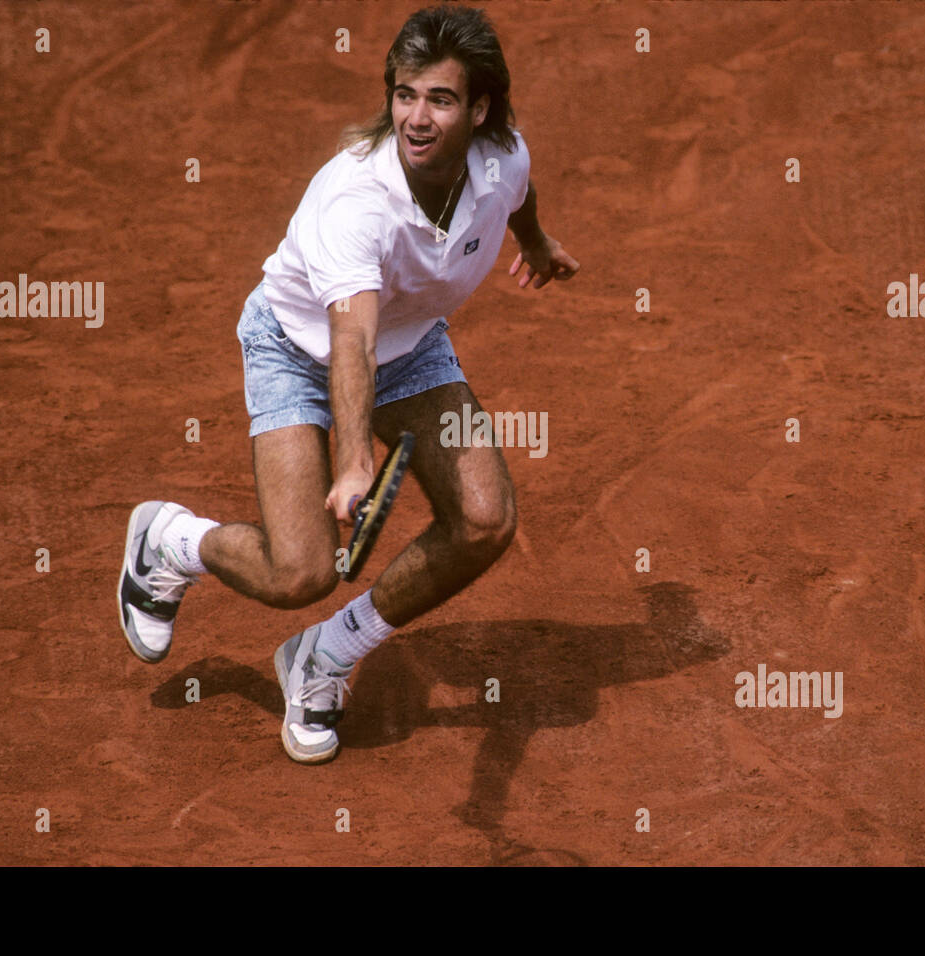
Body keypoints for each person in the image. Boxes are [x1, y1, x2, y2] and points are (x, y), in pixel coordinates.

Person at [117, 4, 579, 764]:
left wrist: (535, 240)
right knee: (298, 571)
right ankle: (171, 543)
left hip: (411, 347)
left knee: (485, 519)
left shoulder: (502, 158)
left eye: (439, 98)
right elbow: (351, 338)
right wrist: (355, 459)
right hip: (295, 349)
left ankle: (324, 656)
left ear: (480, 108)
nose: (417, 117)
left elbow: (516, 194)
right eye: (404, 95)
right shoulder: (354, 201)